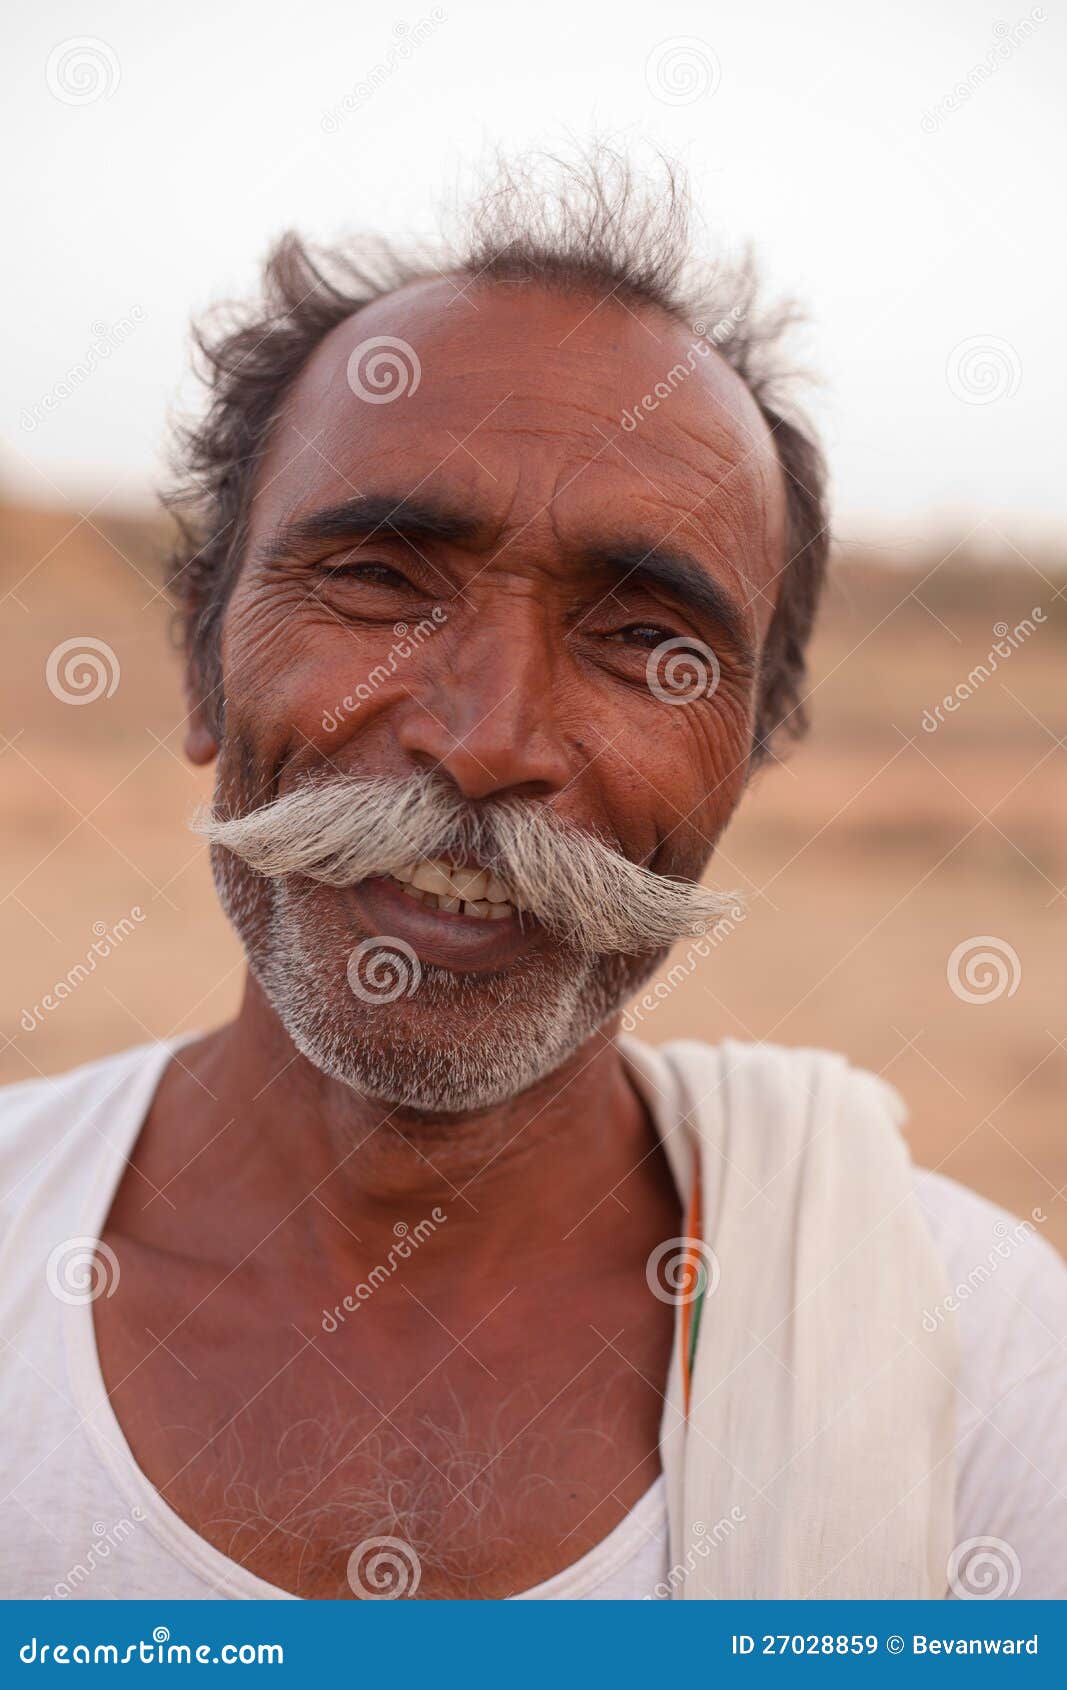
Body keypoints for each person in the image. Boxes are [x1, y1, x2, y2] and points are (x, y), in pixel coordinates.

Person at [1, 153, 1064, 1601]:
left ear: (747, 758)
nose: (489, 741)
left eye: (643, 641)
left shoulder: (988, 1367)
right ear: (201, 659)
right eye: (377, 580)